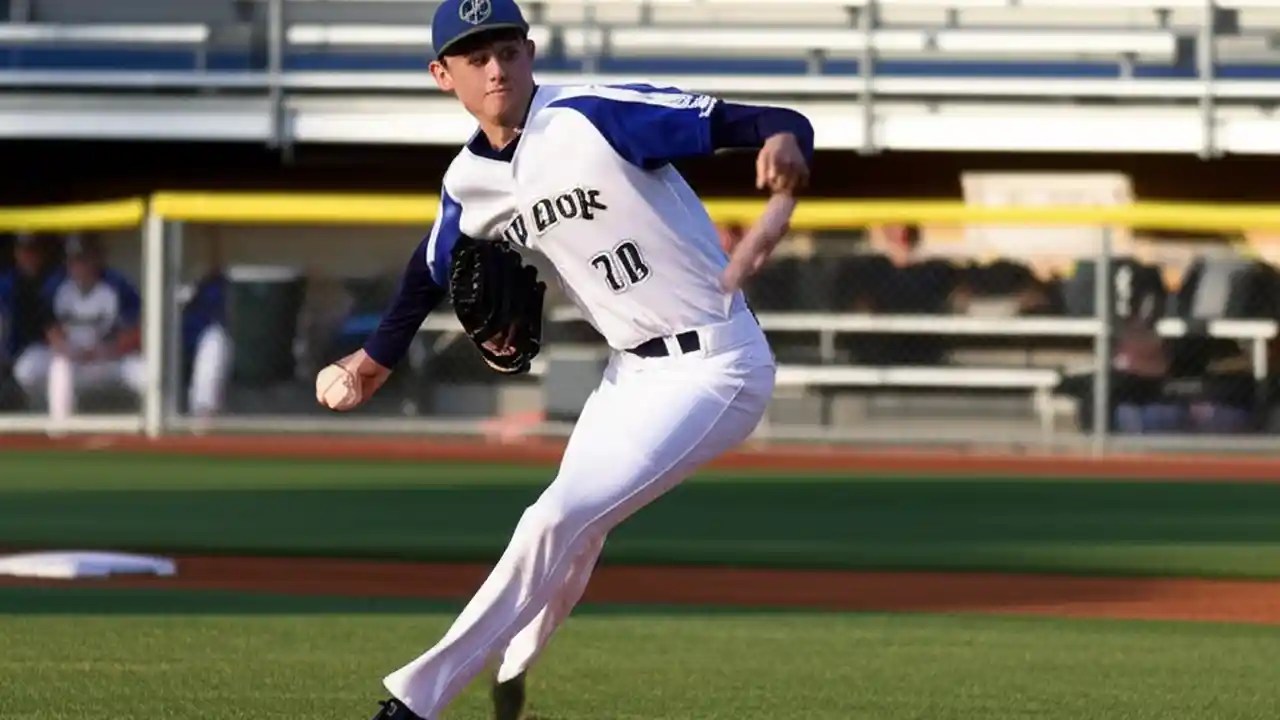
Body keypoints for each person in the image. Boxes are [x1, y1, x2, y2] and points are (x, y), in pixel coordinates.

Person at [318, 2, 813, 719]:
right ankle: (515, 671)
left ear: (531, 51)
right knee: (577, 533)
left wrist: (789, 143)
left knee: (555, 519)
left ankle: (413, 704)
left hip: (716, 365)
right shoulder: (468, 183)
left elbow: (767, 119)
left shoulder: (593, 116)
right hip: (630, 376)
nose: (495, 68)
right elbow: (429, 269)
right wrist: (375, 358)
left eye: (507, 50)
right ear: (442, 74)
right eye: (475, 55)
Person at [12, 235, 145, 426]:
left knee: (145, 373)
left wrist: (108, 350)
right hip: (72, 357)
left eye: (84, 258)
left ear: (97, 259)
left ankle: (151, 428)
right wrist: (64, 348)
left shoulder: (117, 285)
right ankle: (58, 426)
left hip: (107, 358)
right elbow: (48, 324)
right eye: (74, 259)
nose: (79, 265)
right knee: (28, 367)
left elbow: (137, 330)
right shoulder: (56, 284)